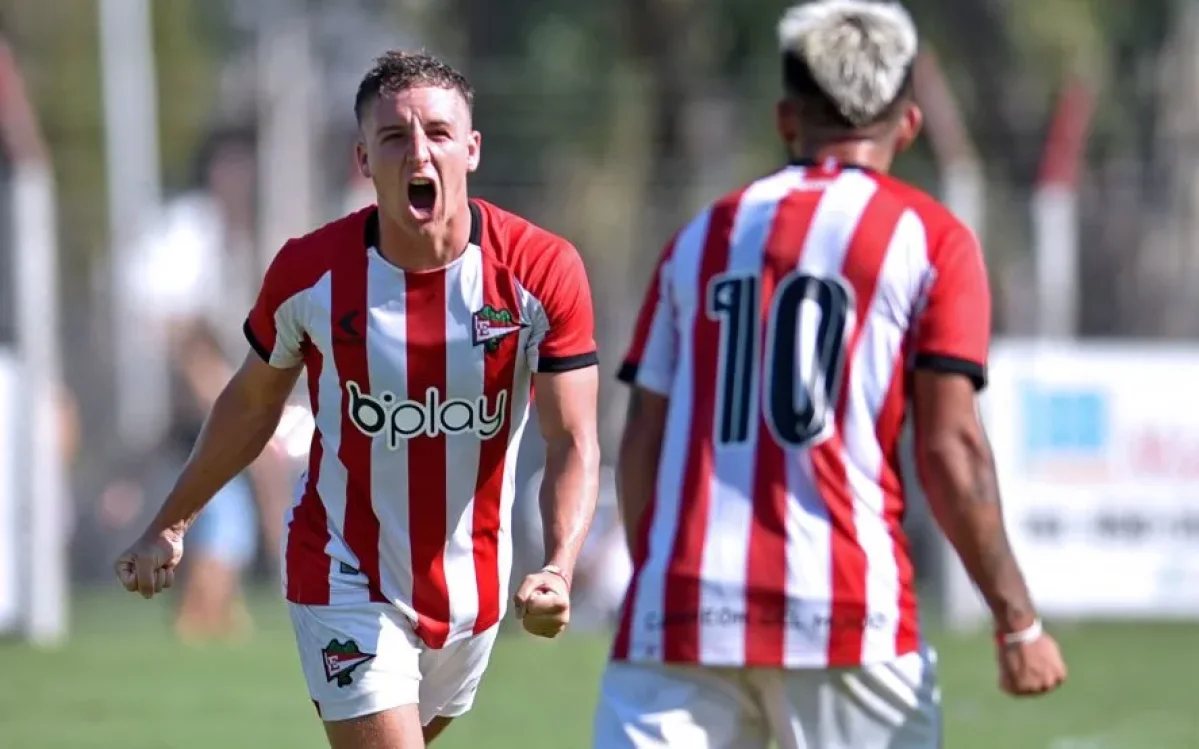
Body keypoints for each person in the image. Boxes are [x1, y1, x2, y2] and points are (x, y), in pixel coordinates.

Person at [594, 2, 1067, 748]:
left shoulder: (701, 235)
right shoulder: (929, 239)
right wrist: (1017, 618)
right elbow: (950, 450)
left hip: (677, 618)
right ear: (906, 125)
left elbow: (645, 432)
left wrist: (661, 577)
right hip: (848, 617)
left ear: (787, 120)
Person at [114, 50, 601, 749]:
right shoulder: (310, 273)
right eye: (394, 137)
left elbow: (572, 436)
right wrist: (171, 522)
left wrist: (557, 564)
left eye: (437, 132)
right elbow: (250, 405)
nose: (418, 153)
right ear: (364, 159)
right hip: (343, 567)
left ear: (472, 148)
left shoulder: (540, 270)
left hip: (472, 589)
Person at [117, 125, 292, 642]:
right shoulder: (186, 231)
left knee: (229, 515)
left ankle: (224, 599)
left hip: (231, 391)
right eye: (230, 166)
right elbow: (175, 330)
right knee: (232, 498)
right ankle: (227, 598)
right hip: (188, 400)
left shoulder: (253, 233)